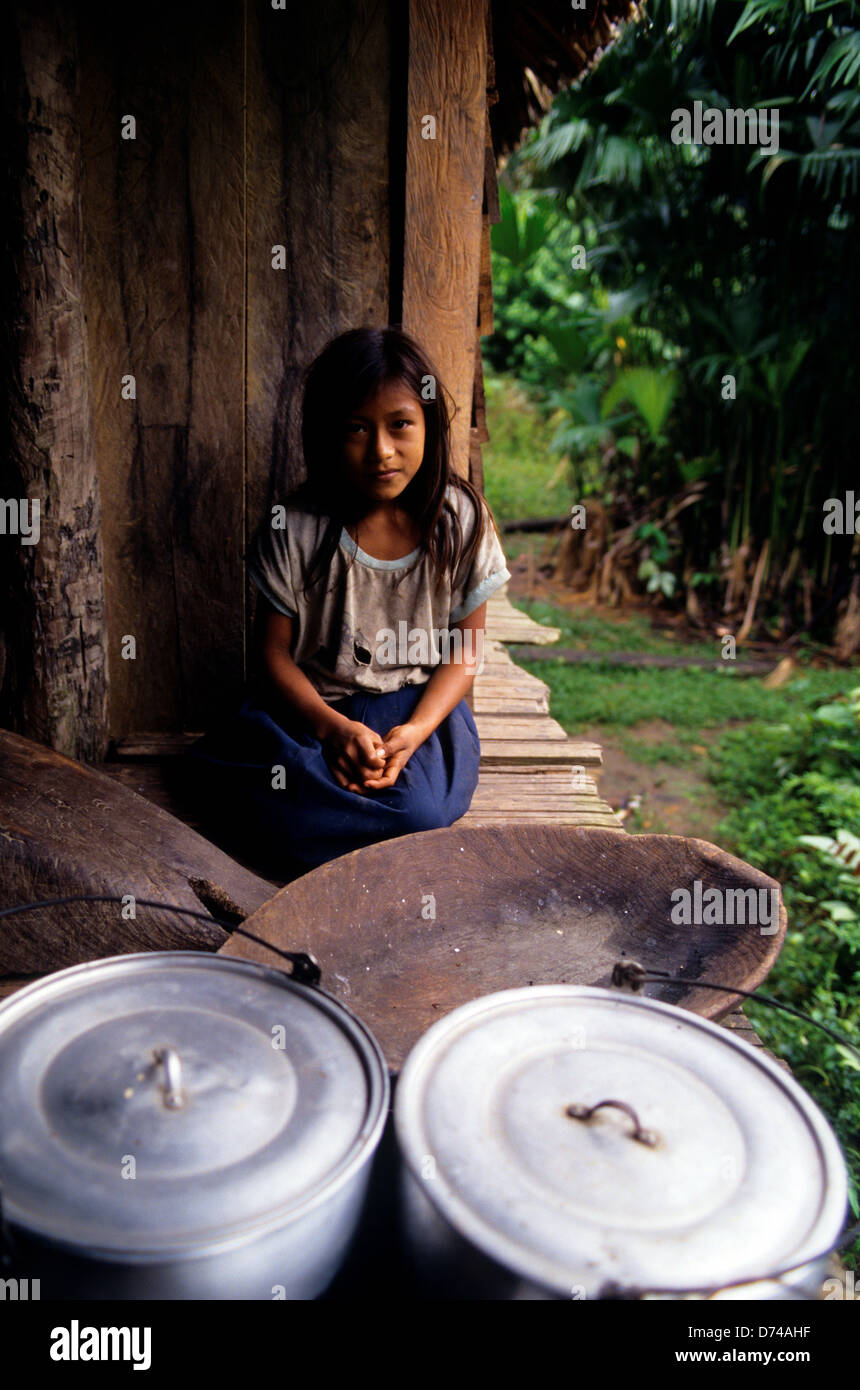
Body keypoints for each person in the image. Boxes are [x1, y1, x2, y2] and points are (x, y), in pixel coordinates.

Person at [184, 326, 511, 876]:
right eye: (357, 428)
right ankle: (351, 835)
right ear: (327, 434)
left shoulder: (462, 520)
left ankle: (350, 833)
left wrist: (417, 732)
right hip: (311, 706)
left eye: (400, 424)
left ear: (430, 422)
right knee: (279, 795)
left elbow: (466, 651)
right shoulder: (296, 527)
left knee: (421, 812)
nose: (381, 451)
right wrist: (331, 729)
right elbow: (272, 658)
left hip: (414, 706)